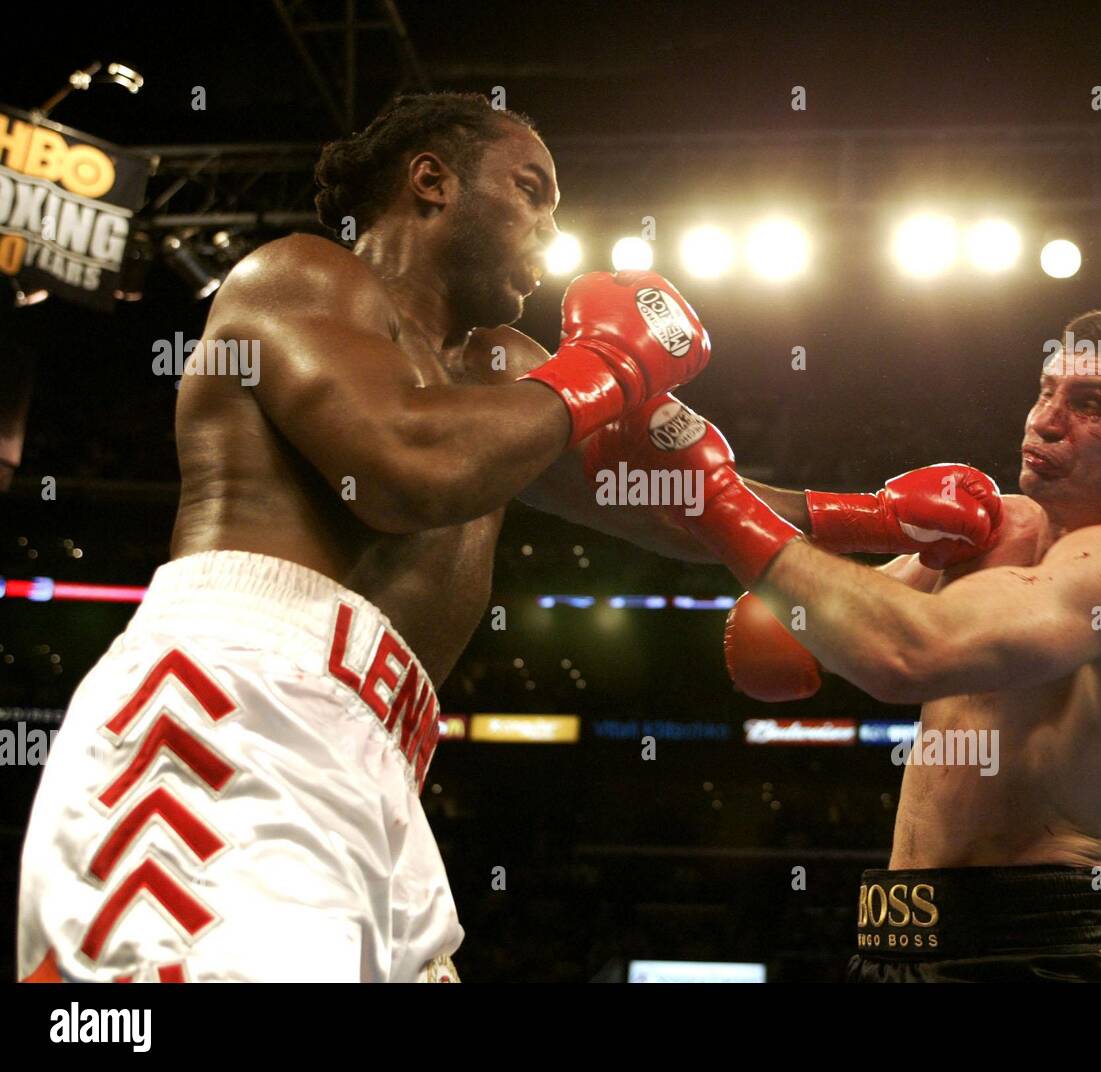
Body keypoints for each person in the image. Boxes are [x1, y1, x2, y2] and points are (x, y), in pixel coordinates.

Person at [18, 91, 718, 983]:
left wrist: (882, 520)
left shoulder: (501, 375)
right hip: (229, 713)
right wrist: (612, 366)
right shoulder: (300, 278)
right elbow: (401, 469)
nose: (551, 226)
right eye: (532, 190)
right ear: (431, 181)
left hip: (381, 772)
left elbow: (699, 506)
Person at [584, 311, 1101, 982]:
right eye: (1045, 389)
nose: (1045, 420)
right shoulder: (1001, 526)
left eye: (1092, 404)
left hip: (1033, 954)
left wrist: (714, 496)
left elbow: (906, 652)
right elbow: (797, 635)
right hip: (893, 943)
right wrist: (664, 442)